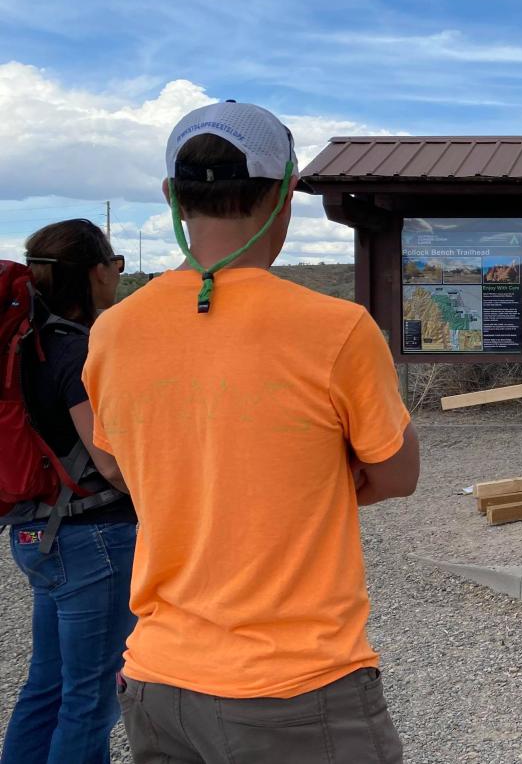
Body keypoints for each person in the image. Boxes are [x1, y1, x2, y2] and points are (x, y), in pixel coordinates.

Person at [81, 101, 420, 763]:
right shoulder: (337, 329)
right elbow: (398, 476)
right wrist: (305, 483)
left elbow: (121, 465)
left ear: (172, 198)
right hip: (295, 688)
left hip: (158, 682)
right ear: (286, 193)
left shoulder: (114, 332)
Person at [1, 220, 134, 764]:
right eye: (116, 265)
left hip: (39, 533)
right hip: (92, 539)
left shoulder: (23, 343)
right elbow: (109, 463)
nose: (118, 276)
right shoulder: (76, 352)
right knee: (91, 701)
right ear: (96, 272)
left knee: (47, 687)